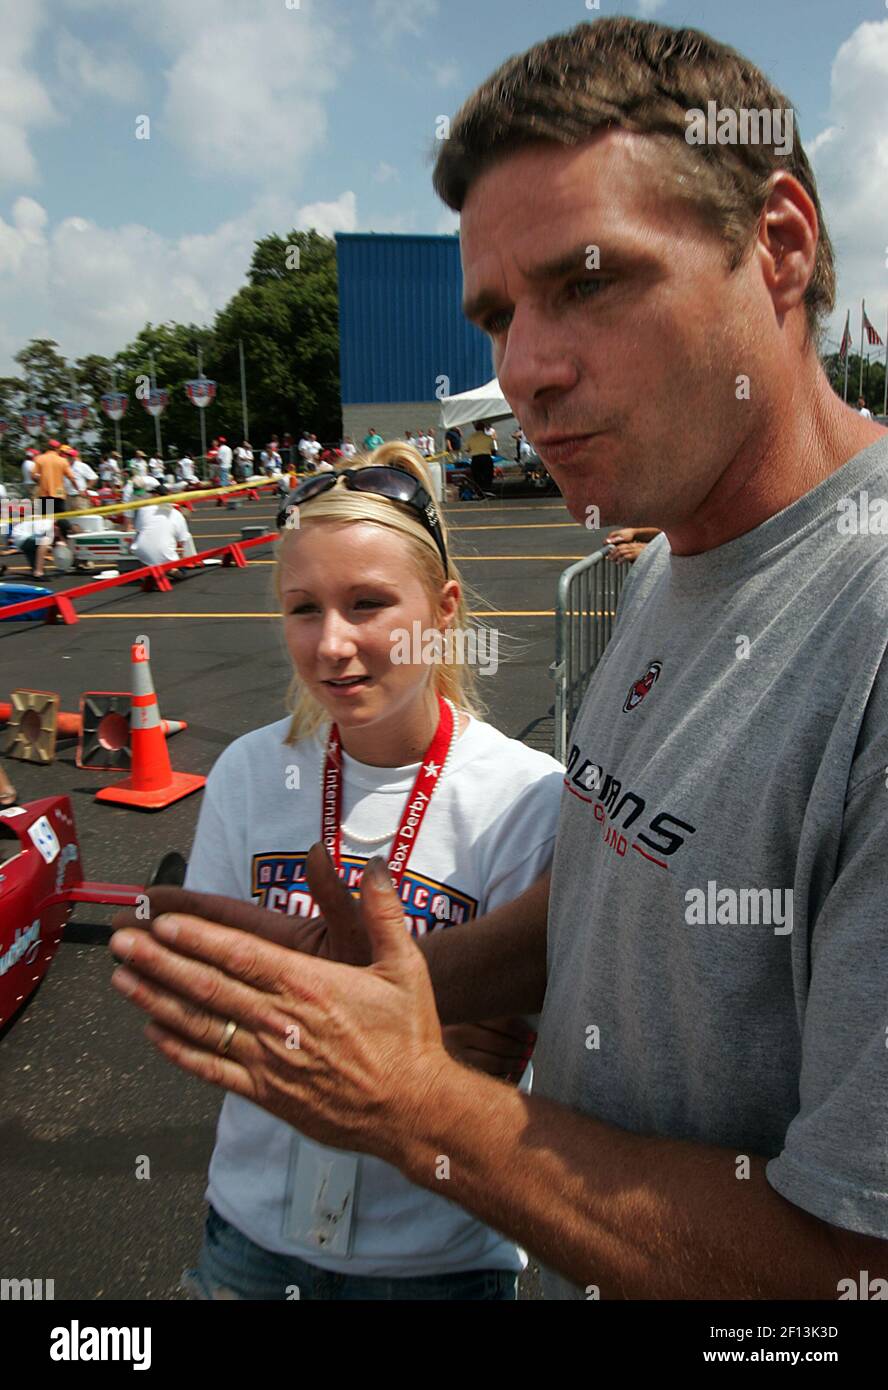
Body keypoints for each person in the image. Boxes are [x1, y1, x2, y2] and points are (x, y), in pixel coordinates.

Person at [109, 15, 888, 1301]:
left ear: (781, 246)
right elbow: (617, 897)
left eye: (587, 281)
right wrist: (379, 980)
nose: (524, 369)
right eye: (497, 313)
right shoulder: (674, 561)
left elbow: (854, 1271)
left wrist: (419, 1109)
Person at [113, 442, 563, 1300]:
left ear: (442, 610)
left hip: (439, 1257)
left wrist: (280, 991)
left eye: (367, 604)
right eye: (302, 609)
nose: (332, 645)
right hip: (249, 1234)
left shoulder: (525, 797)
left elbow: (516, 1050)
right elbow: (195, 990)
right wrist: (415, 1021)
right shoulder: (251, 771)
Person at [130, 480, 196, 568]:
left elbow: (138, 530)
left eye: (151, 494)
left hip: (142, 553)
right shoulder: (176, 513)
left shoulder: (143, 509)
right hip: (166, 556)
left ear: (156, 495)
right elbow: (183, 539)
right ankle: (171, 570)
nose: (149, 496)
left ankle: (148, 568)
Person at [464, 420, 495, 495]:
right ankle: (487, 489)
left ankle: (479, 491)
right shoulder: (488, 437)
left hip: (475, 458)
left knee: (477, 475)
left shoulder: (470, 437)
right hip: (486, 458)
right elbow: (493, 449)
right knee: (488, 474)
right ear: (483, 428)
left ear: (475, 428)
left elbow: (467, 449)